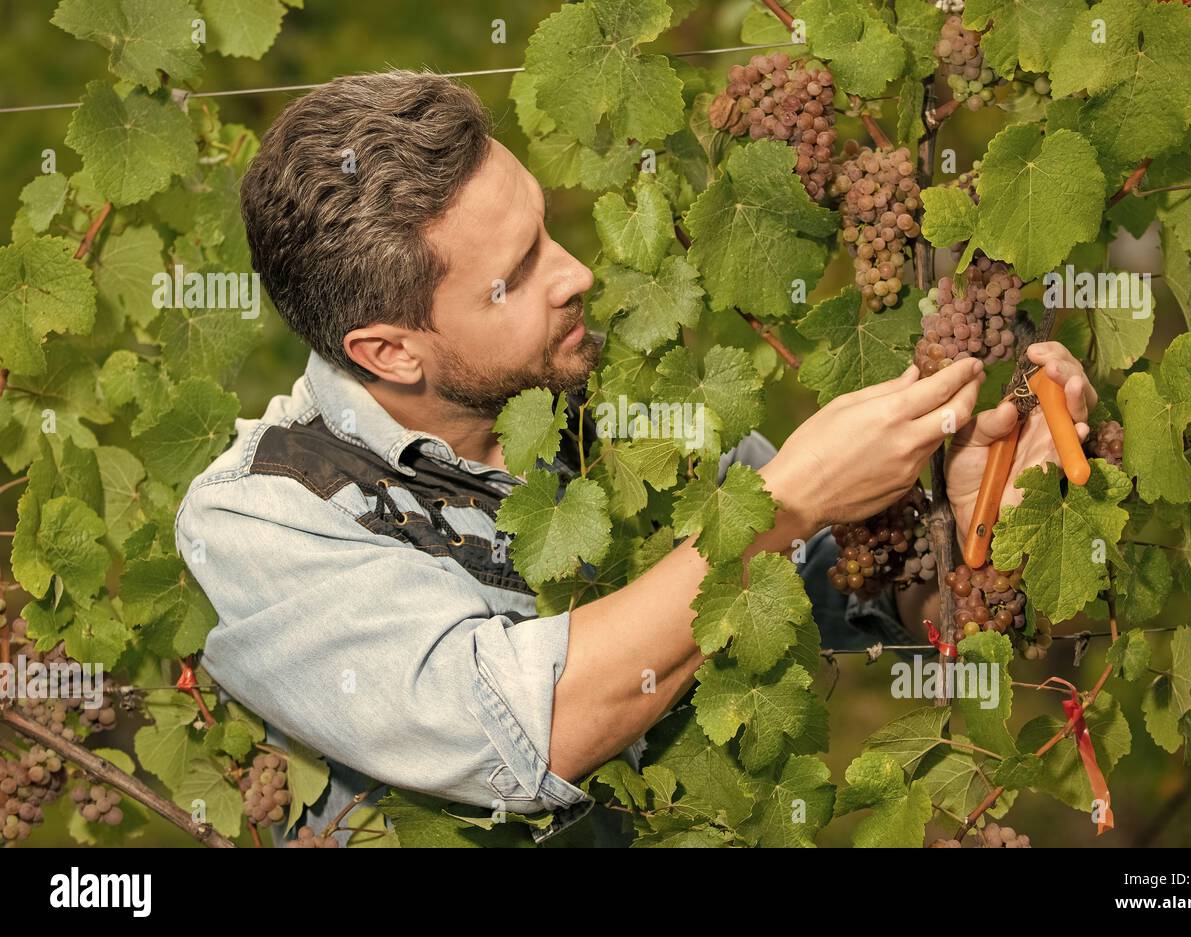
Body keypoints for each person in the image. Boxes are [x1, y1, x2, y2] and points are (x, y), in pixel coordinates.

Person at [175, 70, 1096, 845]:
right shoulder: (263, 515)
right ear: (390, 350)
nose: (575, 272)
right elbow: (520, 728)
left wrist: (965, 524)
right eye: (521, 268)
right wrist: (783, 502)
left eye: (547, 228)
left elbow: (833, 599)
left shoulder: (611, 402)